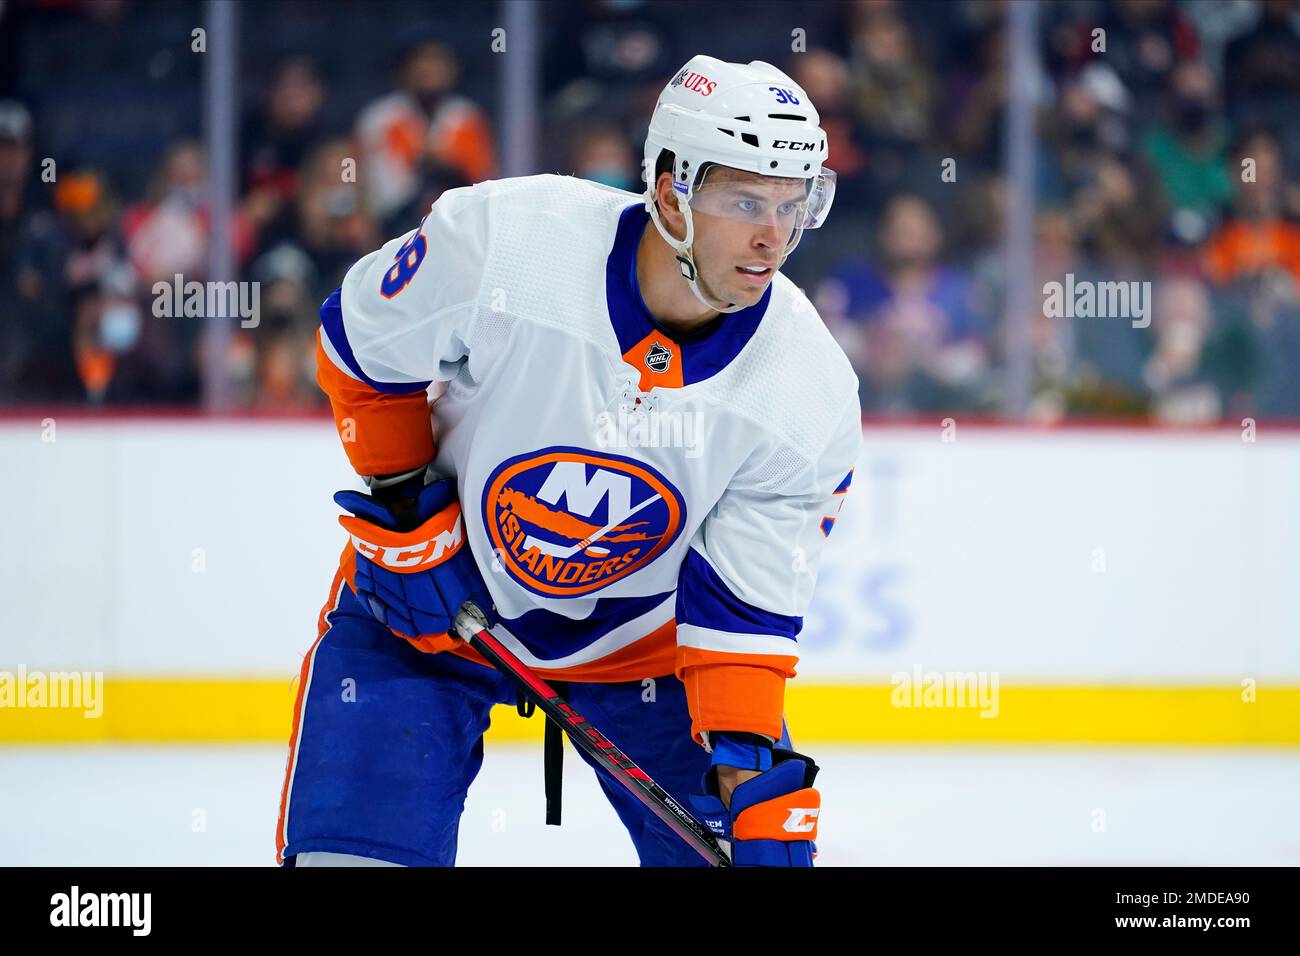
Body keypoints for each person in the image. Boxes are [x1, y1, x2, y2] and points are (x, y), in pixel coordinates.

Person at [276, 55, 861, 867]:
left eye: (795, 205)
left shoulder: (809, 392)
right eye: (745, 201)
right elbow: (359, 347)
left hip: (644, 659)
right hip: (431, 603)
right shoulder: (509, 244)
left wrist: (753, 777)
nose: (775, 236)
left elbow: (742, 621)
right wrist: (405, 506)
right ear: (670, 192)